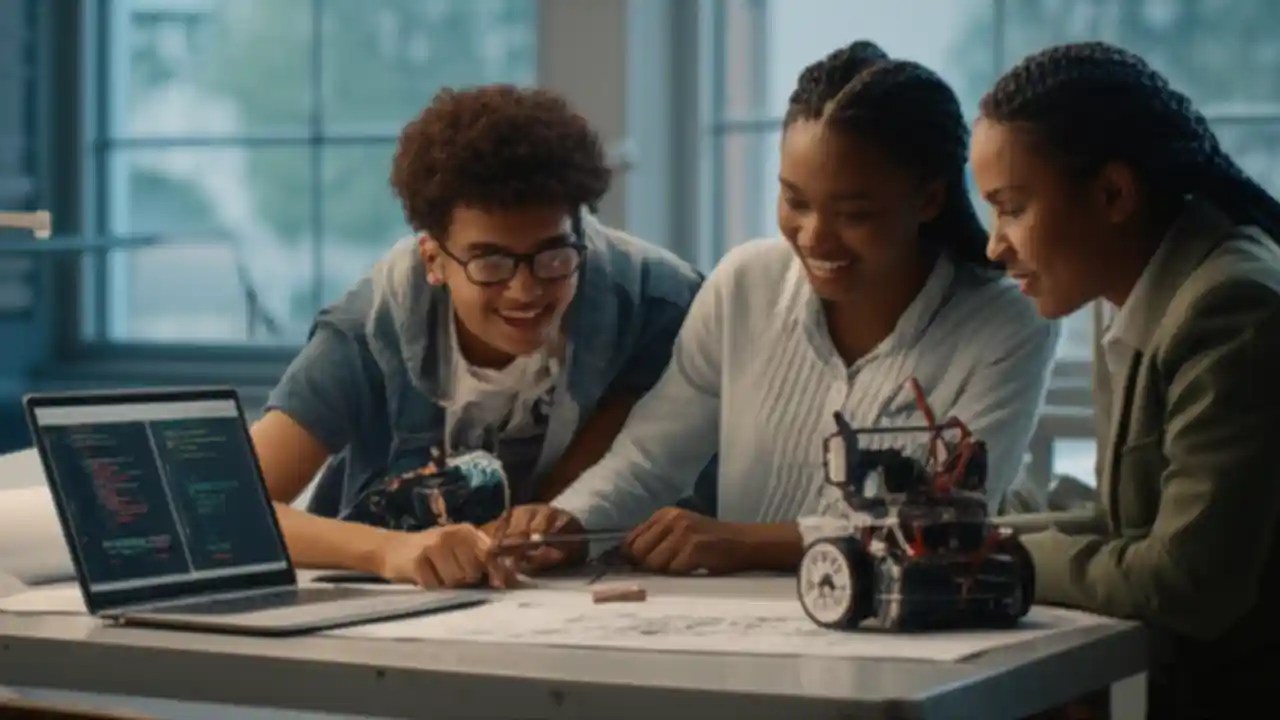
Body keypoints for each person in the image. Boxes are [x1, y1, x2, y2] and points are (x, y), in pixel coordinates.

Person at [504, 41, 1059, 576]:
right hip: (736, 635)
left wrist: (747, 544)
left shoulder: (1008, 321)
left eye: (854, 214)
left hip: (910, 635)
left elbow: (948, 519)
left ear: (930, 199)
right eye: (795, 201)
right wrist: (568, 522)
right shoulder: (745, 283)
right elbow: (651, 456)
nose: (815, 237)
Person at [252, 84, 704, 589]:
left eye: (554, 257)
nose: (525, 290)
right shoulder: (370, 331)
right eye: (491, 262)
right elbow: (232, 508)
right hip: (395, 615)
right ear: (433, 260)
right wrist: (389, 550)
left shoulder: (656, 305)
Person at [970, 41, 1280, 719]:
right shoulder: (1132, 286)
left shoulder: (1232, 308)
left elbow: (1185, 579)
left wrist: (999, 564)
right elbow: (1131, 522)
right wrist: (977, 538)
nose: (995, 246)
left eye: (1013, 208)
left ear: (1113, 193)